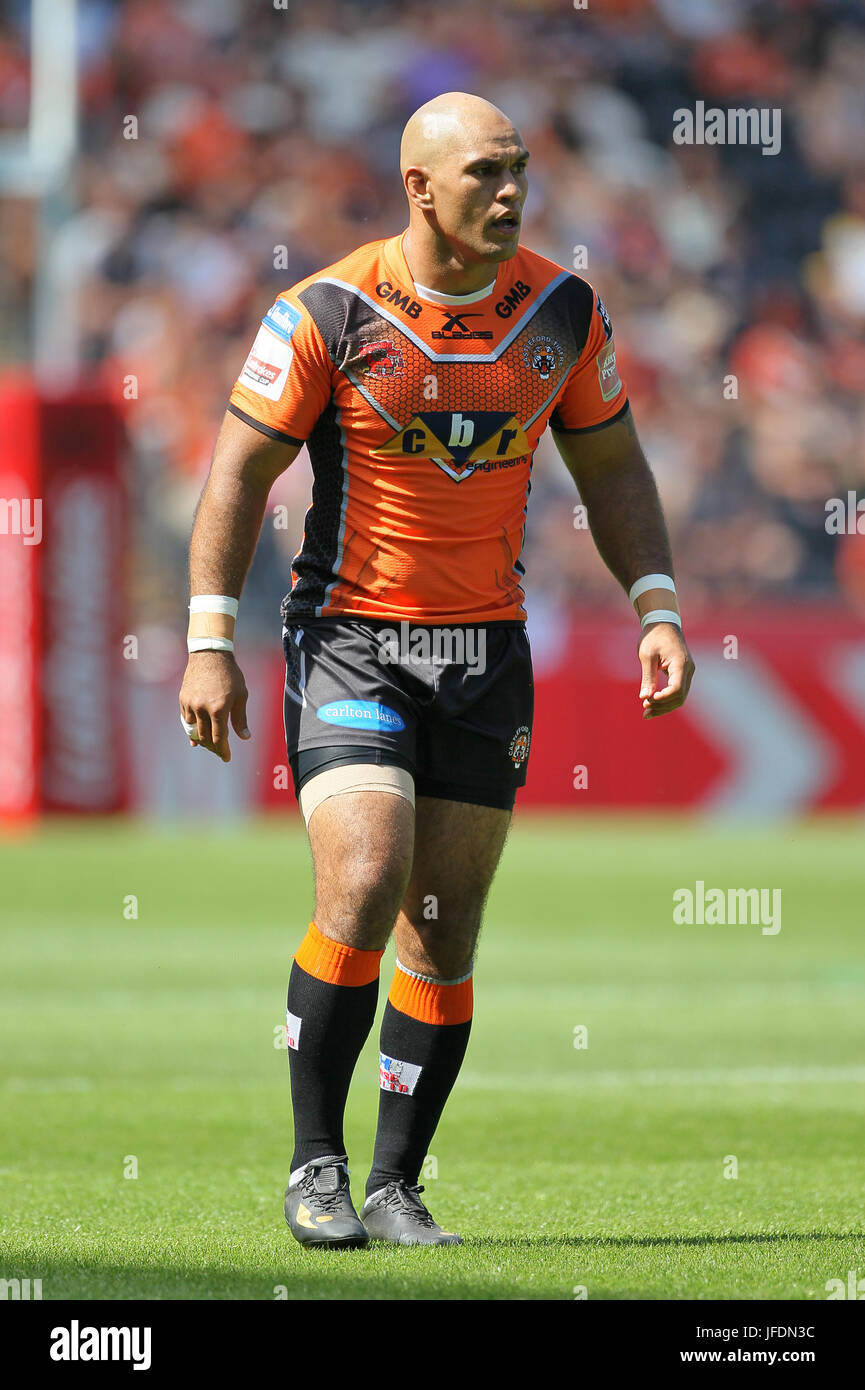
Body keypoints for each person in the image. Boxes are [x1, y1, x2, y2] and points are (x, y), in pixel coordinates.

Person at [178, 91, 695, 1249]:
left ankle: (395, 1184)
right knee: (364, 880)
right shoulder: (326, 308)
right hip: (353, 635)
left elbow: (612, 468)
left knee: (441, 927)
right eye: (483, 176)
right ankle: (315, 1164)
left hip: (486, 652)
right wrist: (211, 638)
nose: (510, 193)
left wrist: (656, 605)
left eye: (518, 171)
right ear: (418, 187)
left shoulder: (563, 310)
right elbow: (236, 476)